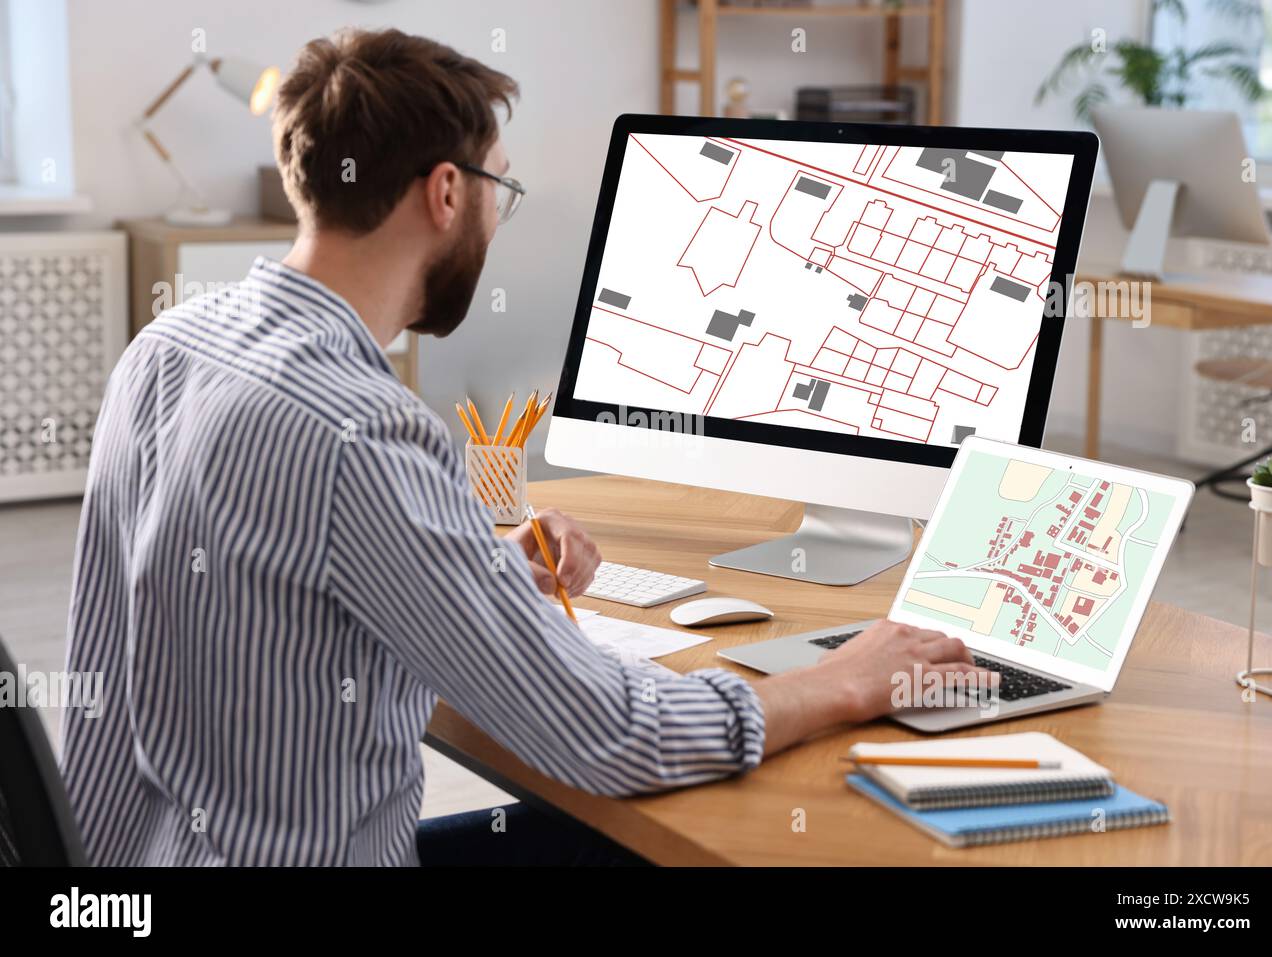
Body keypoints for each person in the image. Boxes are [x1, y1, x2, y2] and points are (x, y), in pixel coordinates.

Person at [60, 28, 985, 866]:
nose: (498, 219)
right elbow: (612, 734)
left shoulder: (167, 350)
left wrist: (466, 575)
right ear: (448, 191)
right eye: (500, 187)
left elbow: (240, 600)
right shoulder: (364, 433)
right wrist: (843, 678)